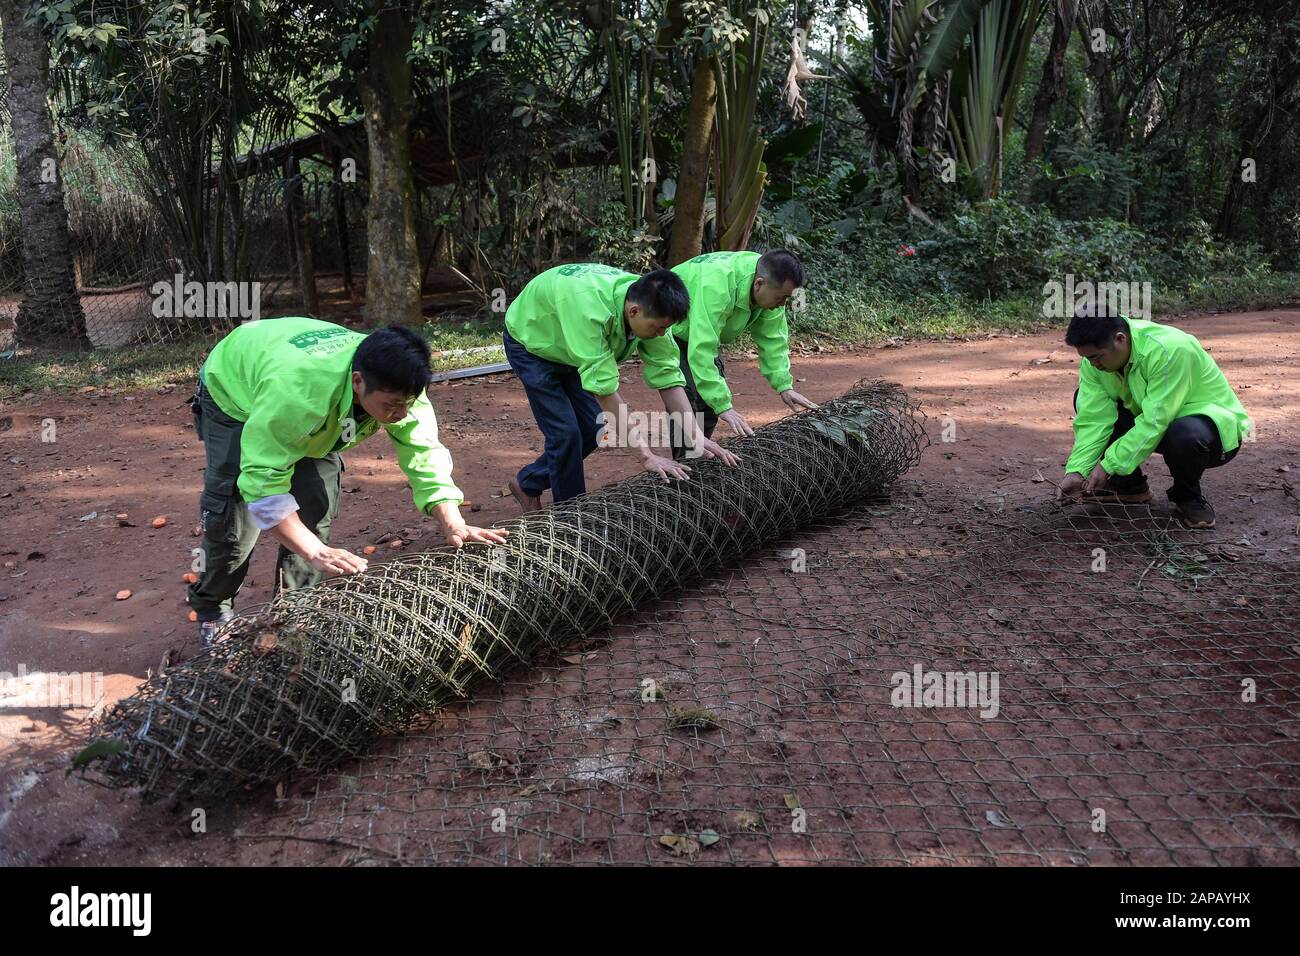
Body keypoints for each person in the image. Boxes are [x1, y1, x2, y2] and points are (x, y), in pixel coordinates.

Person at [186, 317, 505, 645]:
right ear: (357, 381)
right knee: (235, 520)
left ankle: (294, 607)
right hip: (236, 389)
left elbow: (423, 452)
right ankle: (213, 609)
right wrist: (315, 551)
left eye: (407, 405)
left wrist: (453, 522)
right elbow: (262, 487)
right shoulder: (297, 395)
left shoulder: (402, 384)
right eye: (392, 406)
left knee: (317, 501)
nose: (401, 414)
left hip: (311, 401)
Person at [502, 263, 739, 509]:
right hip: (532, 341)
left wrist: (696, 436)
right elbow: (604, 391)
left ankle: (528, 483)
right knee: (565, 432)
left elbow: (667, 375)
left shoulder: (652, 309)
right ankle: (570, 516)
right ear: (634, 311)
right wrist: (646, 457)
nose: (661, 334)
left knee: (593, 427)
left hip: (569, 345)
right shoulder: (591, 313)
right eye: (658, 328)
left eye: (665, 329)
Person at [1058, 309, 1251, 529]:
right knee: (1082, 398)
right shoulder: (1094, 362)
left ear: (1120, 339)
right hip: (1155, 418)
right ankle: (1129, 487)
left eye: (1096, 357)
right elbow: (1095, 418)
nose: (1092, 364)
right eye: (1086, 358)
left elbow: (1155, 421)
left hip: (1210, 431)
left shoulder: (1169, 350)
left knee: (1183, 434)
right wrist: (1077, 470)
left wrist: (1107, 465)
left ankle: (1187, 496)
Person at [667, 249, 818, 458]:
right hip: (669, 327)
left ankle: (697, 457)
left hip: (700, 331)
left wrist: (784, 386)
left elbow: (773, 339)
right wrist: (724, 406)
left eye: (787, 298)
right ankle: (684, 467)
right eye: (781, 298)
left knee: (707, 404)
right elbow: (701, 349)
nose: (783, 304)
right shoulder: (717, 286)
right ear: (758, 284)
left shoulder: (771, 290)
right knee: (688, 395)